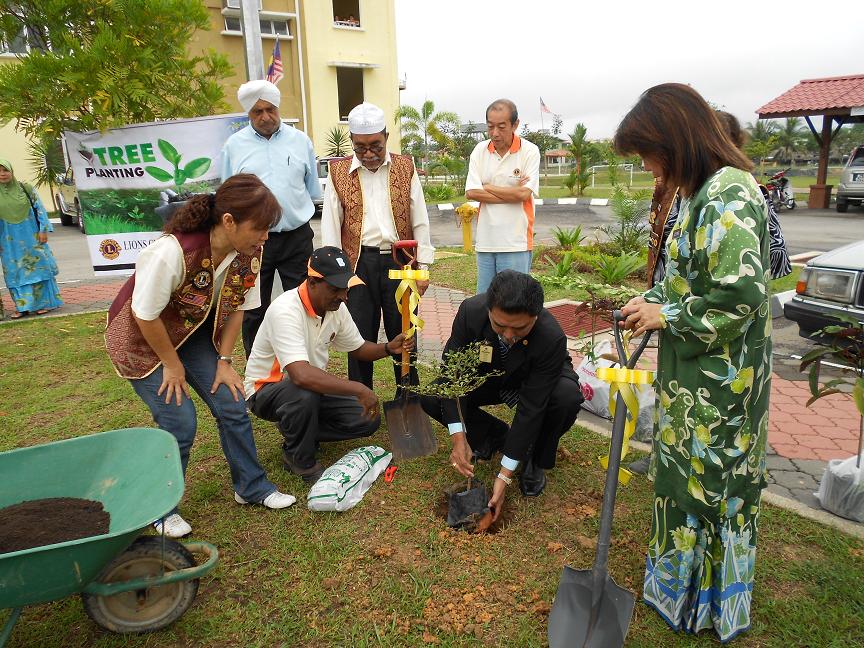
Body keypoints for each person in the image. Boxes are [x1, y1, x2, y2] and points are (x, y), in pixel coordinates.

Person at [615, 83, 771, 642]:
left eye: (647, 154)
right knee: (682, 483)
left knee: (714, 487)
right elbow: (693, 280)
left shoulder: (729, 192)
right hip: (692, 374)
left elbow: (741, 294)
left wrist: (669, 315)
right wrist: (656, 302)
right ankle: (676, 593)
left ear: (674, 140)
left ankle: (709, 605)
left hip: (724, 383)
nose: (648, 167)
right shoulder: (698, 191)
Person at [105, 174, 296, 539]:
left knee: (231, 402)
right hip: (139, 339)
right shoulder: (170, 252)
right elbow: (144, 315)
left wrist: (224, 361)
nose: (266, 237)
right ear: (229, 222)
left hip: (188, 332)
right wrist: (172, 366)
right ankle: (160, 509)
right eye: (260, 228)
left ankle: (251, 486)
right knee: (179, 421)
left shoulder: (249, 251)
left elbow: (240, 307)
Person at [420, 270, 583, 519]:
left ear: (535, 317)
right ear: (488, 310)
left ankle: (534, 458)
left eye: (519, 328)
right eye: (499, 326)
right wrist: (458, 437)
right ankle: (493, 436)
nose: (508, 336)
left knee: (566, 397)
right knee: (434, 395)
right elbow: (452, 377)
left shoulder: (551, 337)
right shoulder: (469, 313)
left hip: (535, 379)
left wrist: (504, 475)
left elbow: (532, 407)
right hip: (491, 375)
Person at [245, 246, 414, 484]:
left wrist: (388, 348)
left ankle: (299, 429)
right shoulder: (285, 310)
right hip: (268, 390)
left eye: (345, 289)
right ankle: (299, 459)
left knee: (367, 418)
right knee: (302, 394)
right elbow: (301, 375)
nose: (344, 296)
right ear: (313, 282)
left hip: (310, 389)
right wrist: (359, 388)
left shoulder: (336, 308)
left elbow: (358, 348)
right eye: (335, 289)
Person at [321, 101, 434, 392]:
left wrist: (424, 268)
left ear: (385, 137)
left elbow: (419, 218)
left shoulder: (405, 167)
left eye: (375, 146)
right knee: (357, 333)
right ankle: (361, 396)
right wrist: (334, 274)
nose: (369, 153)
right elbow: (331, 227)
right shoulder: (338, 172)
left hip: (402, 263)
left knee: (405, 330)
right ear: (352, 143)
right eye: (361, 147)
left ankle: (408, 392)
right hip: (357, 265)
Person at [221, 80, 321, 357]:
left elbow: (312, 190)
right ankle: (258, 365)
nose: (265, 117)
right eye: (257, 112)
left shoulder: (301, 142)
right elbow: (228, 195)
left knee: (304, 301)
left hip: (296, 238)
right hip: (252, 241)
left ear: (278, 108)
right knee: (253, 306)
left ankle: (307, 359)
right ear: (248, 115)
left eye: (270, 109)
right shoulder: (233, 146)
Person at [465, 99, 540, 293]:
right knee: (484, 301)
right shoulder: (480, 151)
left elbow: (524, 194)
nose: (495, 133)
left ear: (515, 124)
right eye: (490, 127)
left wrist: (487, 187)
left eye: (501, 127)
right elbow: (471, 192)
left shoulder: (529, 151)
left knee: (514, 301)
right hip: (486, 242)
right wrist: (512, 193)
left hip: (516, 242)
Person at [0, 159, 63, 318]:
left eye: (5, 170)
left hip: (32, 236)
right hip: (8, 241)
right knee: (15, 271)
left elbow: (39, 208)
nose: (2, 174)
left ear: (12, 171)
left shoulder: (25, 188)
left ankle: (43, 304)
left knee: (37, 268)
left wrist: (43, 230)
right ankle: (22, 307)